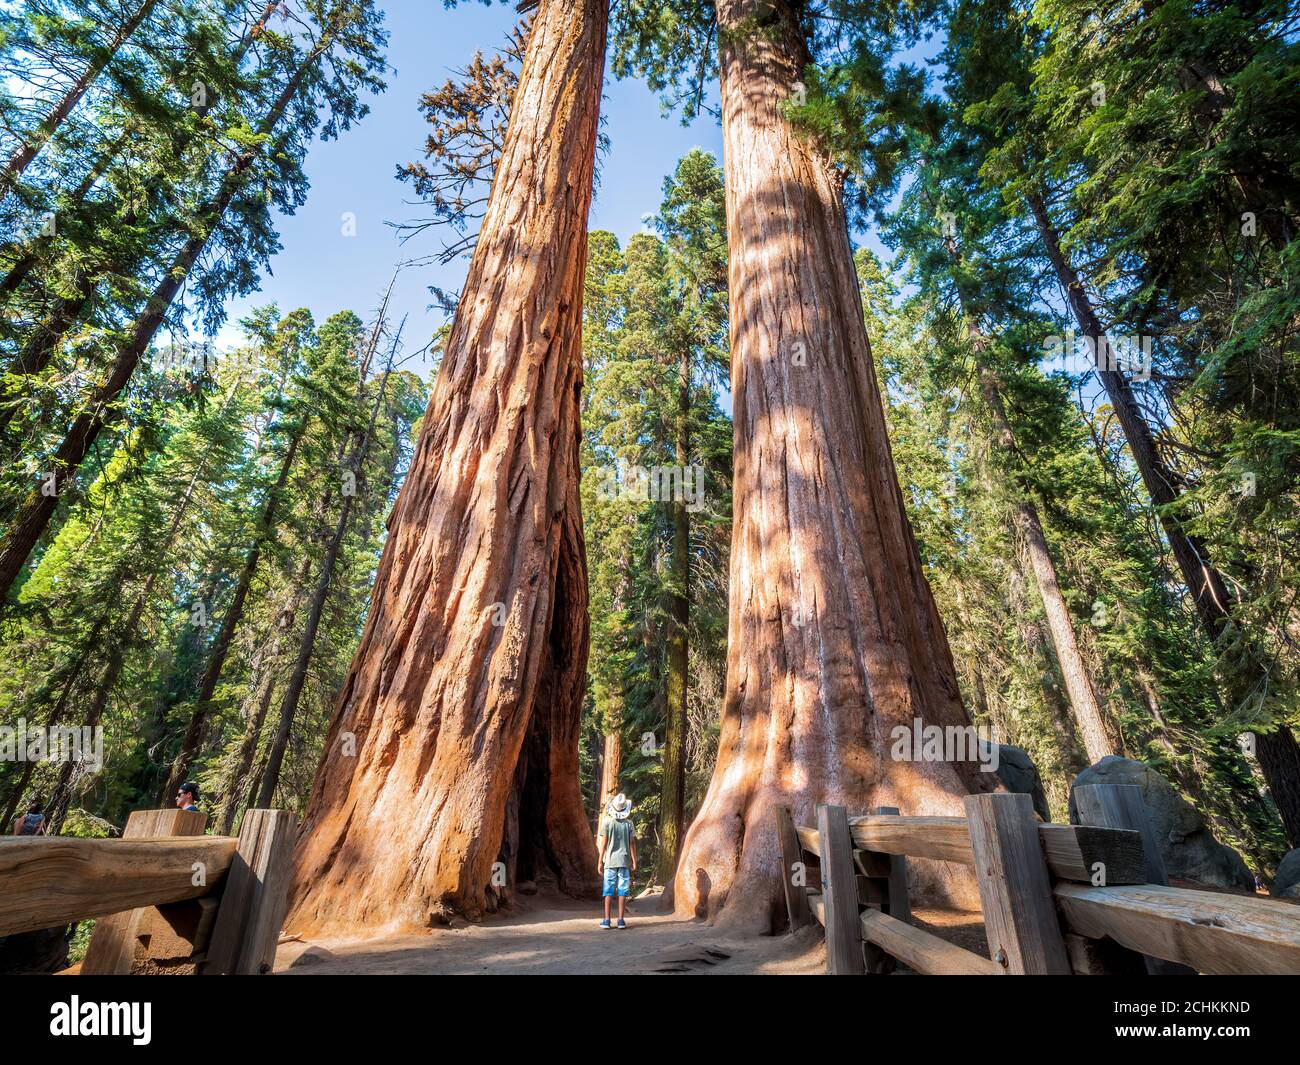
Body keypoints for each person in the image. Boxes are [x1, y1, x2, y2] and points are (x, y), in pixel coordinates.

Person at [596, 792, 637, 929]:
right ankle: (620, 920)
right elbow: (632, 844)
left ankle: (607, 920)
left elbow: (603, 844)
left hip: (610, 861)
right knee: (622, 890)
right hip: (624, 861)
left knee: (608, 891)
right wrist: (634, 860)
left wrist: (599, 861)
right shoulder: (629, 824)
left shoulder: (607, 822)